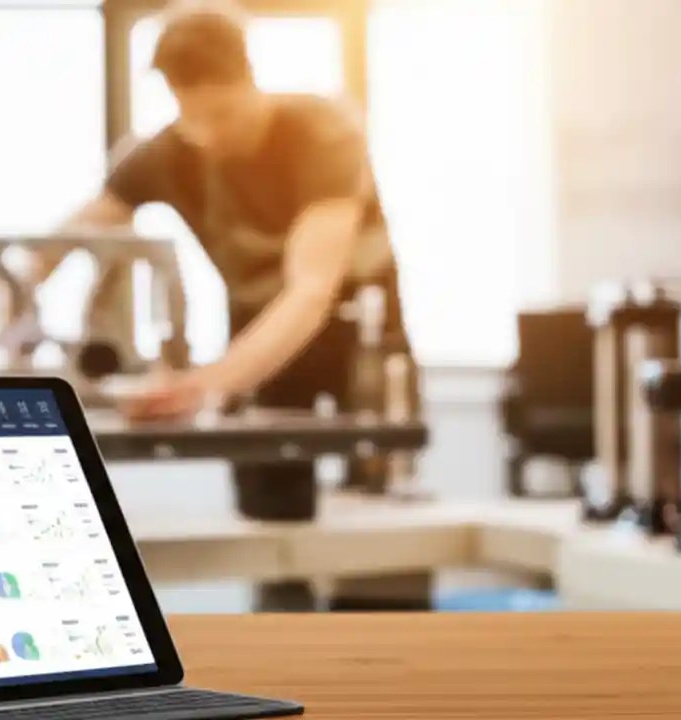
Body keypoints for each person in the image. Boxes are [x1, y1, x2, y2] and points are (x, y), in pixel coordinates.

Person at [46, 1, 416, 538]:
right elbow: (64, 240)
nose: (209, 134)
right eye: (191, 116)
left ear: (250, 79)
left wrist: (204, 385)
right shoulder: (167, 153)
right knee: (270, 516)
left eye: (222, 114)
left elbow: (312, 290)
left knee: (382, 519)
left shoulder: (323, 131)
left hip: (358, 331)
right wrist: (19, 304)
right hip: (254, 333)